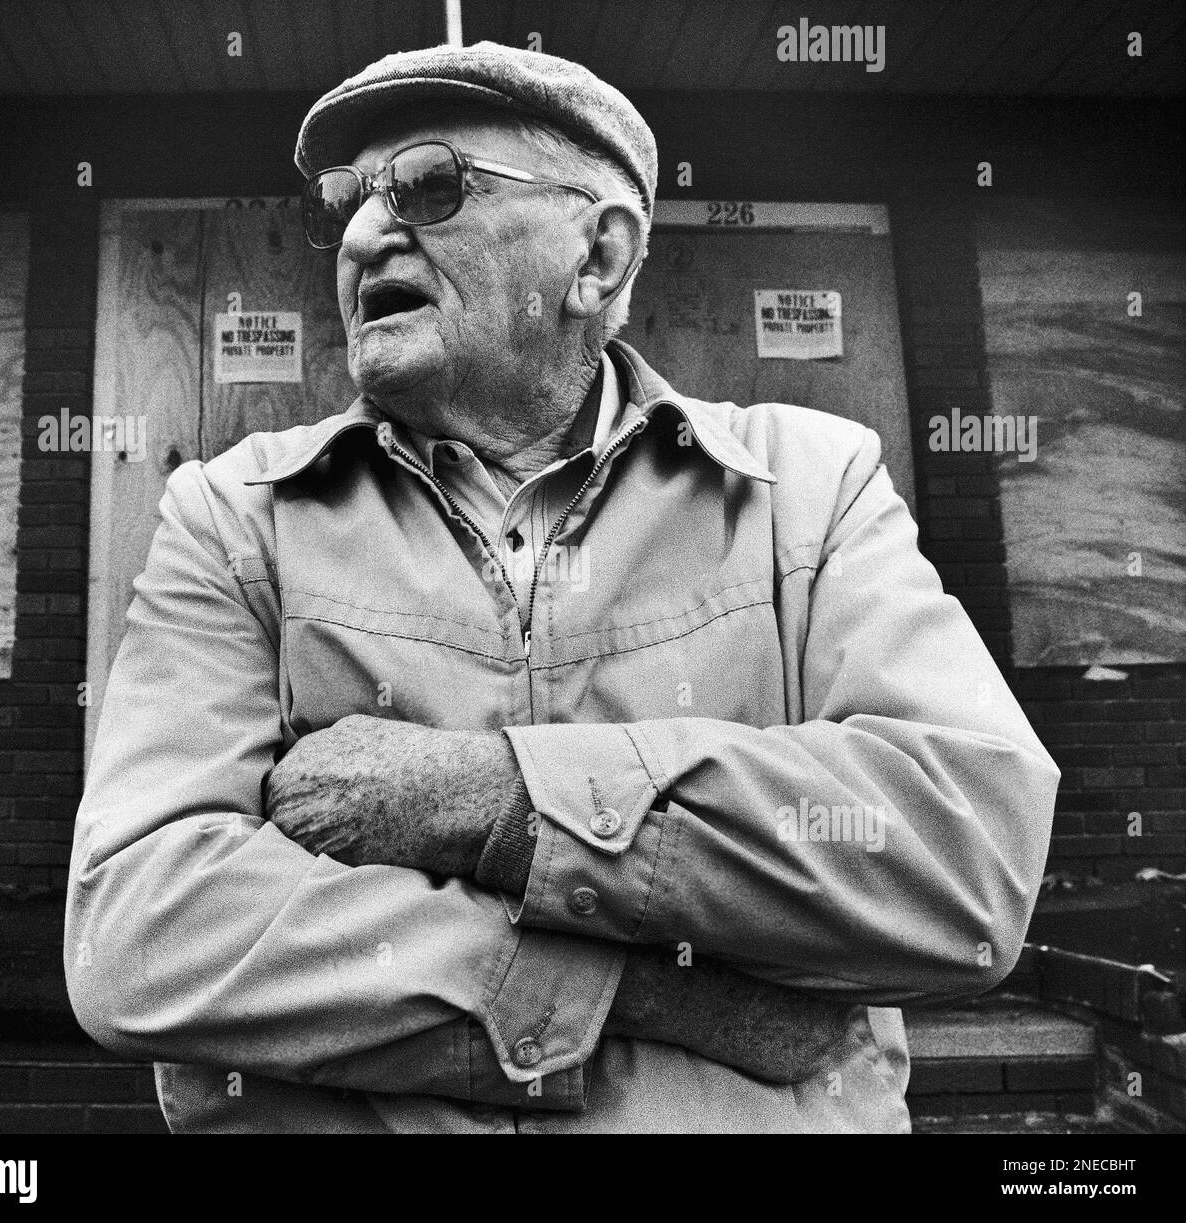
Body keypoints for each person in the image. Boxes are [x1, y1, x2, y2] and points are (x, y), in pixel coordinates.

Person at [65, 41, 1059, 1134]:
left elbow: (961, 857)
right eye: (347, 201)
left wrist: (494, 798)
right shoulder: (236, 515)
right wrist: (656, 991)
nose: (356, 235)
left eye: (429, 186)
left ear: (598, 255)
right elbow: (141, 931)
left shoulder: (807, 491)